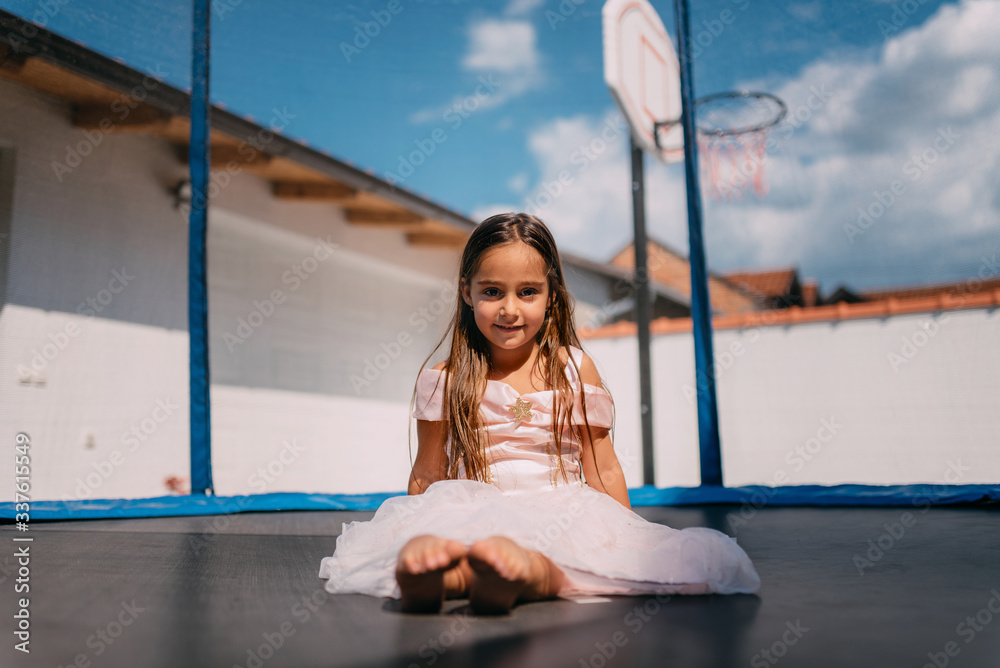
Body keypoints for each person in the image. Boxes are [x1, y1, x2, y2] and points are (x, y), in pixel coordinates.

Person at [318, 212, 760, 614]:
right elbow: (427, 474)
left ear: (551, 296)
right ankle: (432, 572)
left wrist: (629, 539)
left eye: (527, 292)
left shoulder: (572, 369)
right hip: (471, 509)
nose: (510, 309)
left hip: (562, 512)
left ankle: (501, 574)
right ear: (467, 293)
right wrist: (409, 529)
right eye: (492, 291)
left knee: (551, 562)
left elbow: (602, 466)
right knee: (465, 544)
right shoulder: (446, 378)